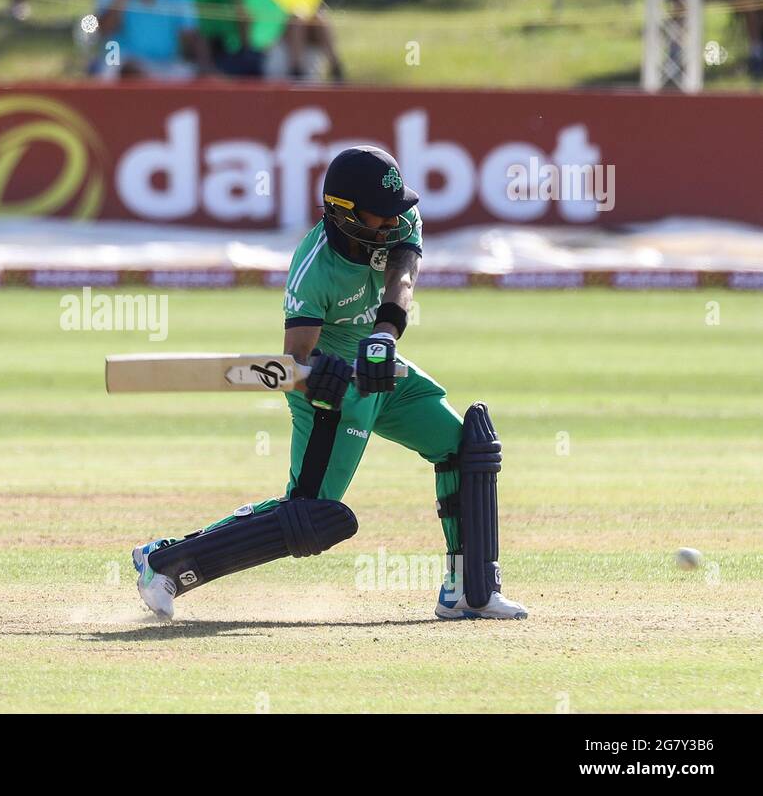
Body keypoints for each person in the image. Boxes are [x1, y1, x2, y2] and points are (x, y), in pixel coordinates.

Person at [131, 146, 529, 622]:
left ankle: (470, 589)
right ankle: (167, 562)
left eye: (395, 213)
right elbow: (296, 357)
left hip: (381, 366)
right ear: (343, 214)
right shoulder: (313, 267)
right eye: (379, 217)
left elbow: (403, 273)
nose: (392, 224)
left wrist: (385, 333)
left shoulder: (400, 221)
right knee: (312, 516)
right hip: (329, 391)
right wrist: (322, 372)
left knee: (464, 448)